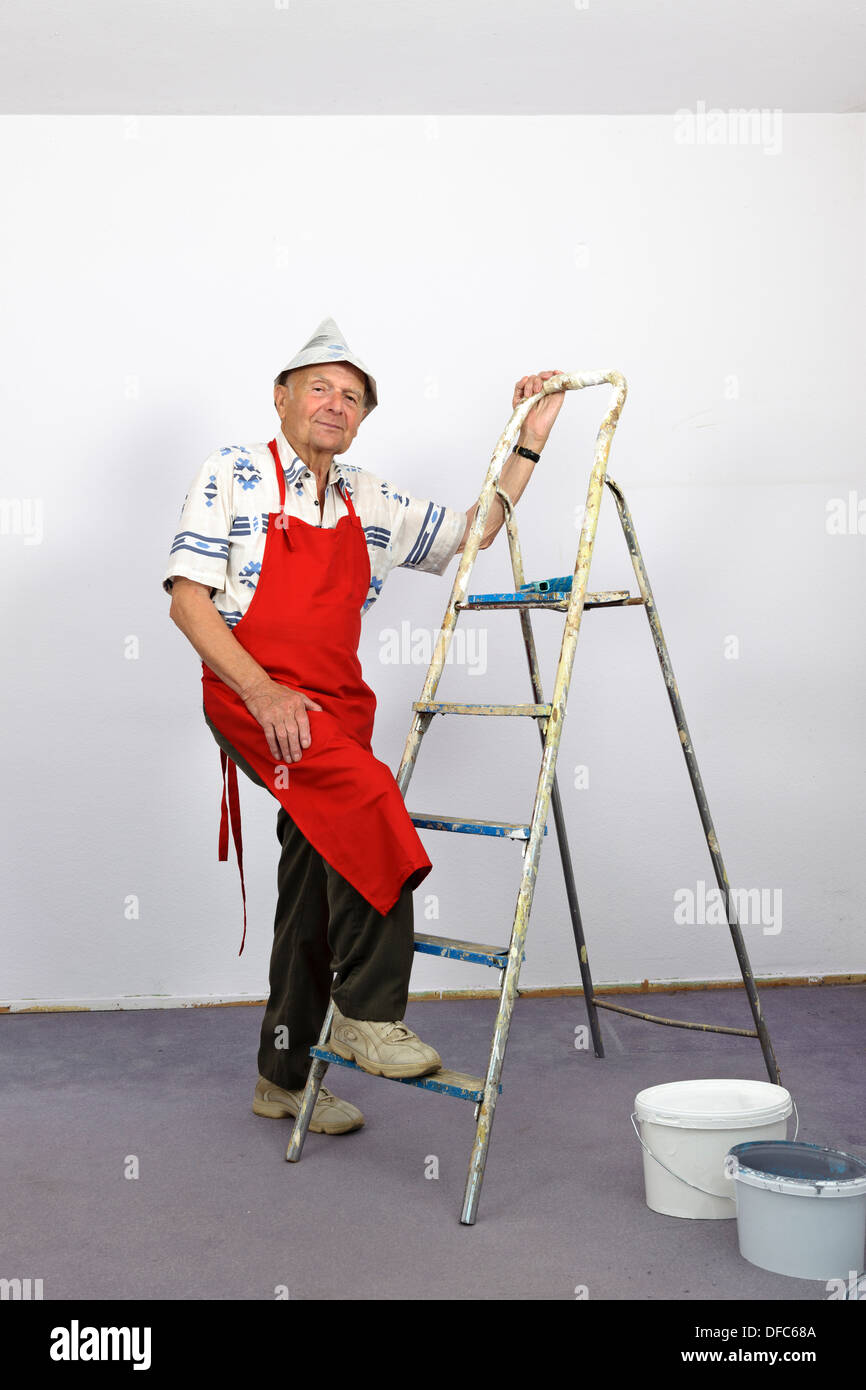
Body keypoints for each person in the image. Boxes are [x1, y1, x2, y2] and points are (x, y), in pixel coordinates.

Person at [164, 317, 564, 1136]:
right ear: (281, 396)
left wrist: (527, 441)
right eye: (320, 387)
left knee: (314, 880)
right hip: (253, 693)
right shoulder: (234, 473)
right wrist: (265, 694)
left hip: (337, 705)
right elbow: (188, 600)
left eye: (352, 397)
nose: (335, 405)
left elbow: (472, 533)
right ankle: (367, 1011)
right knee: (368, 798)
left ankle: (281, 1076)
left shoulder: (368, 497)